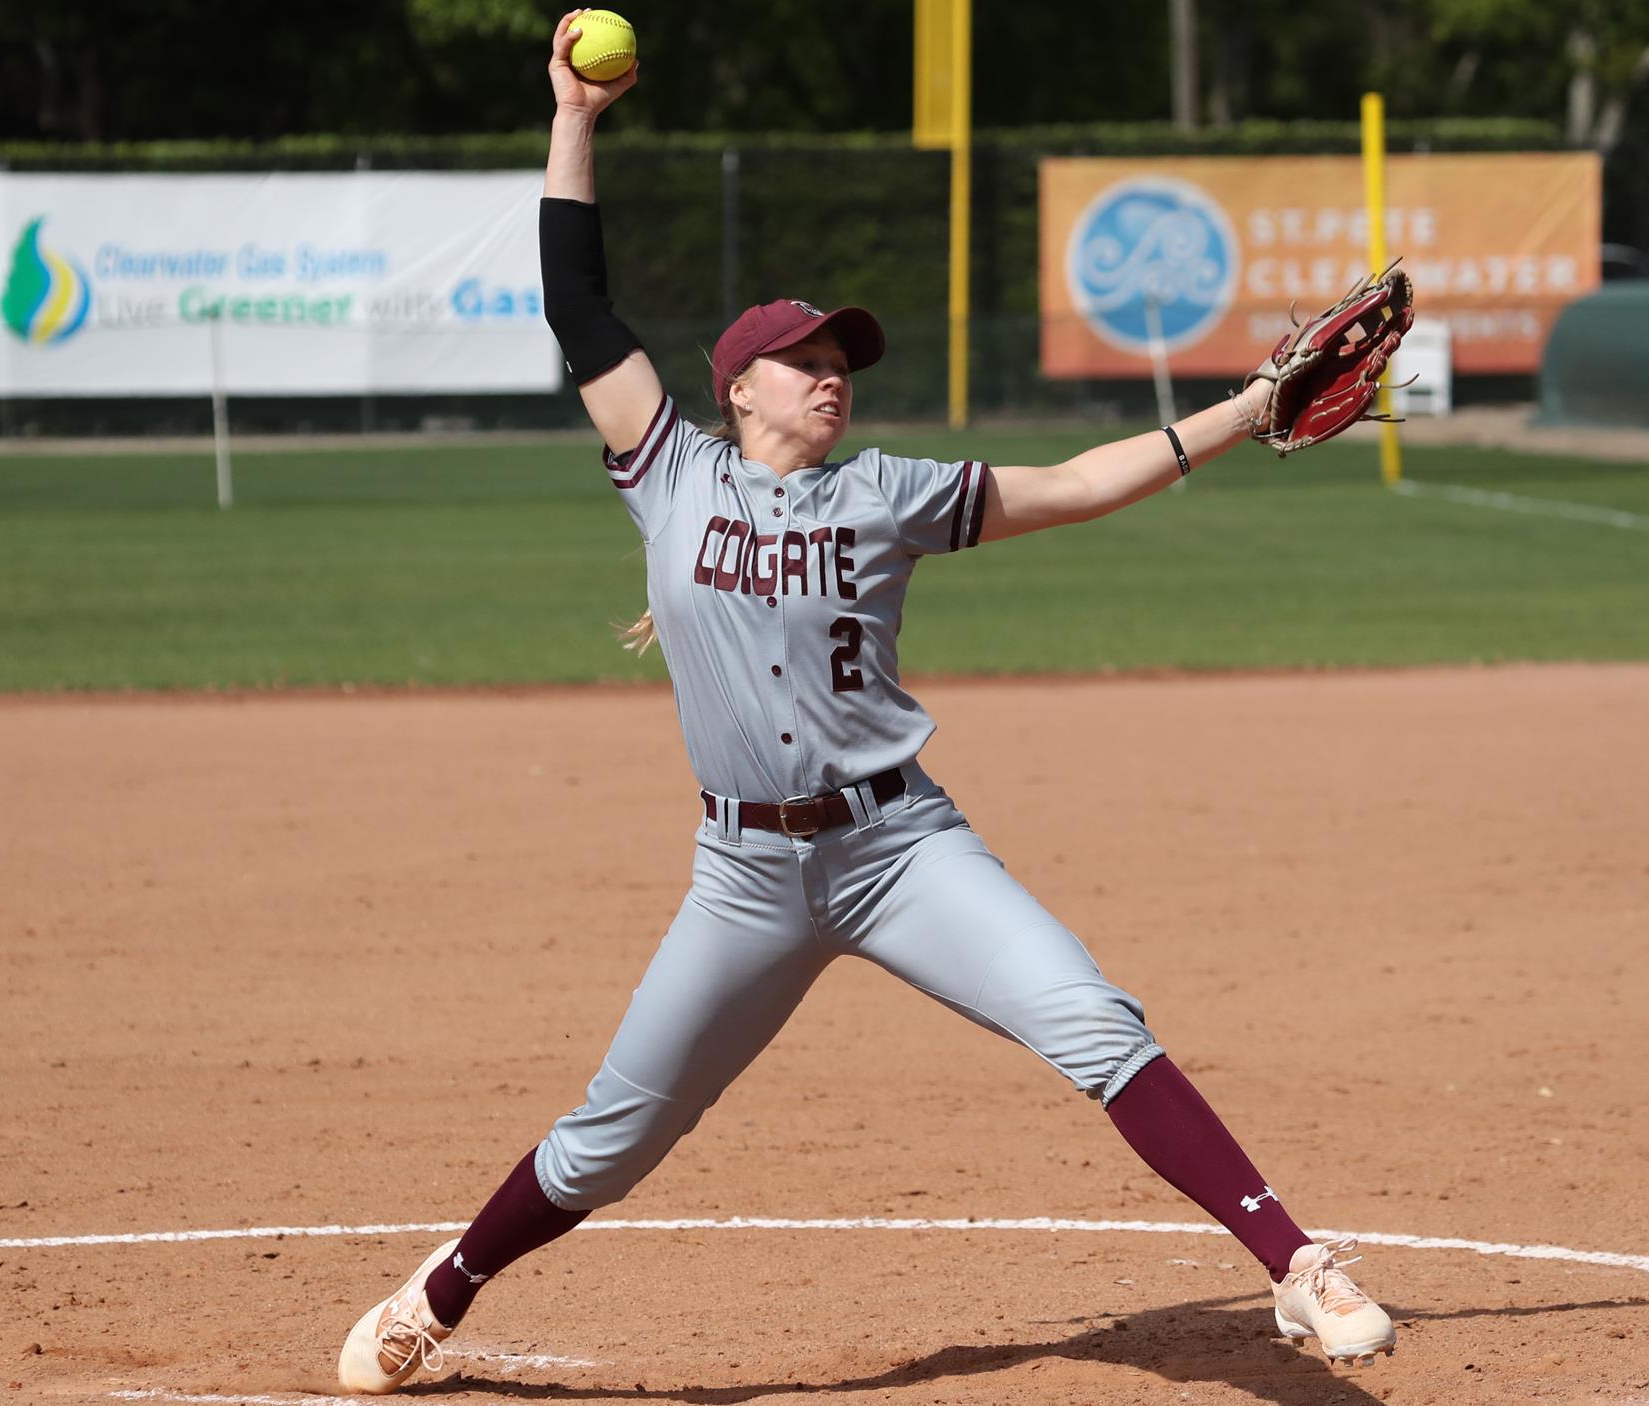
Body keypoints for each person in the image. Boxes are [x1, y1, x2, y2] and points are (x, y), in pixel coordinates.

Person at [335, 12, 1398, 1393]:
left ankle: (1300, 1267)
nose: (835, 373)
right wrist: (574, 123)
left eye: (846, 358)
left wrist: (1246, 413)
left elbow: (1073, 485)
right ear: (740, 388)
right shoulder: (668, 468)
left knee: (1093, 1019)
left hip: (901, 849)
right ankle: (440, 1291)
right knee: (613, 1135)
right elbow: (577, 305)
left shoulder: (886, 490)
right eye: (809, 359)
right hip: (745, 874)